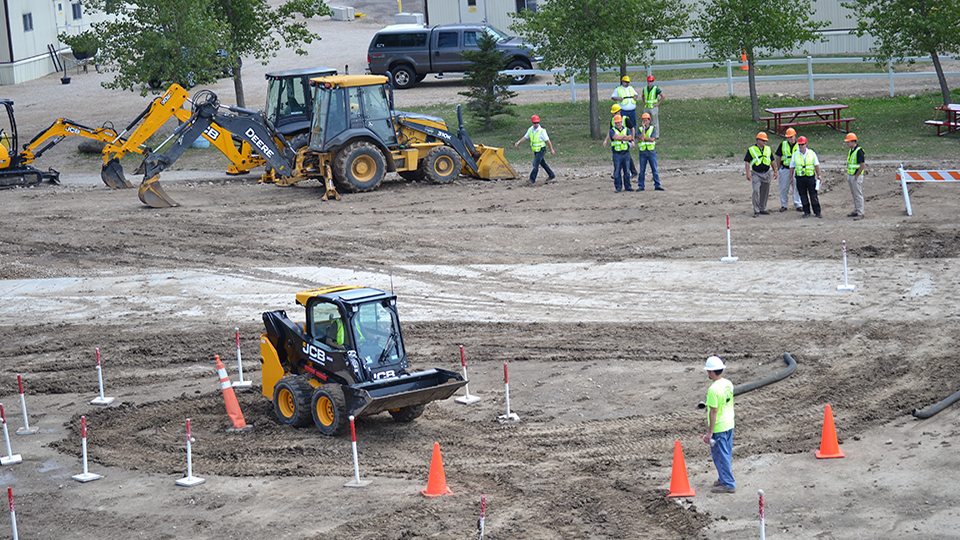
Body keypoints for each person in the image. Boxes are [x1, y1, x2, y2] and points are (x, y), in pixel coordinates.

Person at [701, 355, 735, 494]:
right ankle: (723, 478)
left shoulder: (713, 390)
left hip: (719, 427)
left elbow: (713, 411)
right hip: (729, 423)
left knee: (721, 456)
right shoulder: (728, 383)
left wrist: (709, 432)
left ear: (710, 372)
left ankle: (728, 483)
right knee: (725, 454)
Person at [514, 115, 556, 184]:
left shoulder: (542, 131)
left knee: (535, 164)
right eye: (534, 123)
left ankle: (532, 179)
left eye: (537, 123)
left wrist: (551, 149)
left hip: (541, 150)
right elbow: (525, 137)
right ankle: (551, 175)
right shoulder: (530, 130)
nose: (536, 124)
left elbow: (548, 141)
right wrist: (519, 142)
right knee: (543, 163)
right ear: (532, 123)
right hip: (536, 150)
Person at [789, 136, 823, 218]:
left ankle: (817, 212)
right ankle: (806, 211)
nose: (801, 146)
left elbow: (816, 165)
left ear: (806, 144)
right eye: (799, 145)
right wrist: (791, 178)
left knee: (813, 195)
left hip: (810, 177)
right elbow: (792, 167)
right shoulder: (795, 154)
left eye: (802, 144)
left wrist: (819, 175)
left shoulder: (811, 153)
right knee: (803, 195)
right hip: (800, 177)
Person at [602, 114, 634, 192]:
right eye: (616, 123)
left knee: (627, 171)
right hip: (617, 154)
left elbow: (630, 137)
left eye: (619, 122)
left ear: (621, 122)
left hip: (626, 153)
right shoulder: (612, 130)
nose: (618, 124)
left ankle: (628, 186)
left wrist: (621, 137)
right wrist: (624, 137)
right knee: (617, 172)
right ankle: (618, 187)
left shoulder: (627, 129)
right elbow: (615, 137)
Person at [744, 132, 773, 216]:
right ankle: (756, 210)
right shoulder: (752, 149)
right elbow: (747, 162)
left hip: (766, 173)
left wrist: (775, 171)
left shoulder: (768, 149)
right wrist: (748, 173)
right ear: (758, 140)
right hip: (756, 173)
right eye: (763, 140)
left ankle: (762, 208)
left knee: (765, 191)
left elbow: (772, 160)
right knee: (756, 190)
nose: (765, 142)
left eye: (765, 141)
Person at [775, 128, 803, 213]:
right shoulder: (783, 144)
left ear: (795, 136)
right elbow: (778, 156)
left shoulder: (799, 145)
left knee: (797, 187)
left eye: (791, 136)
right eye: (788, 137)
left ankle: (798, 204)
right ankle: (784, 205)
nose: (790, 138)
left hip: (796, 169)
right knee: (783, 187)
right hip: (785, 168)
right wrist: (779, 168)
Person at [636, 112, 663, 191]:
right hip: (643, 153)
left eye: (646, 120)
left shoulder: (652, 129)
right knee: (642, 170)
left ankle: (657, 185)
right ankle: (641, 186)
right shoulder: (640, 129)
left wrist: (644, 138)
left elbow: (652, 139)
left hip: (651, 152)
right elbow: (640, 138)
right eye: (643, 120)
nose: (645, 122)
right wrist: (644, 130)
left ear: (649, 121)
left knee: (654, 169)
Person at [610, 104, 638, 177]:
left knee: (624, 156)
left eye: (615, 112)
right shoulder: (613, 120)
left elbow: (632, 129)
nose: (614, 114)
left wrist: (632, 139)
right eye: (613, 113)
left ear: (619, 111)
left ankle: (617, 173)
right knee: (624, 156)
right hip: (619, 141)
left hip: (626, 140)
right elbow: (610, 131)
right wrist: (606, 140)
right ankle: (633, 171)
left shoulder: (625, 119)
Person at [844, 133, 866, 220]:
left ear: (853, 141)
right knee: (854, 194)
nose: (847, 144)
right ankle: (857, 210)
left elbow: (862, 165)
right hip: (852, 175)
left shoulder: (859, 151)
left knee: (858, 194)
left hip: (856, 176)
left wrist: (857, 175)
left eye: (848, 142)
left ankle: (860, 212)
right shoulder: (852, 150)